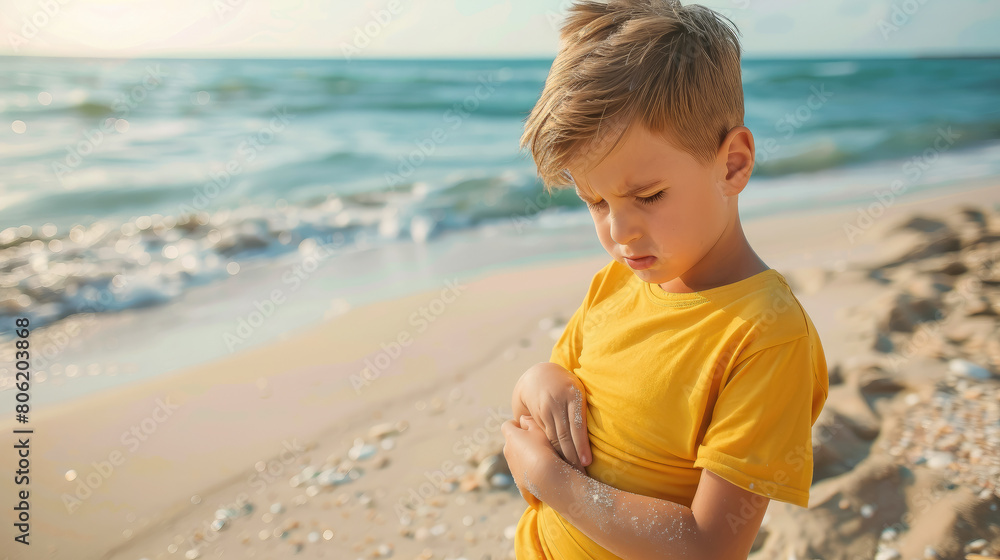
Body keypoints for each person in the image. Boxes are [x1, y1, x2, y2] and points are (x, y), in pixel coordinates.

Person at [499, 1, 830, 558]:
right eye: (595, 201)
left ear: (732, 164)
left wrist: (551, 480)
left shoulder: (767, 336)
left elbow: (710, 547)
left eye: (648, 196)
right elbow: (537, 412)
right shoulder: (614, 285)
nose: (619, 232)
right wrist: (536, 379)